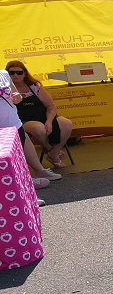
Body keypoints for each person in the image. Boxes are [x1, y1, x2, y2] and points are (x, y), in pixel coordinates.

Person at [0, 68, 61, 204]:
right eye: (14, 72)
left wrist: (17, 97)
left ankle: (27, 194)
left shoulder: (4, 74)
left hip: (14, 125)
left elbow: (17, 95)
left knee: (18, 160)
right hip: (2, 130)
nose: (16, 74)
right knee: (7, 165)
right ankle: (18, 196)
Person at [5, 60, 73, 169]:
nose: (15, 75)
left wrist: (49, 121)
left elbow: (51, 107)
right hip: (23, 120)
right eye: (11, 73)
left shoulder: (34, 86)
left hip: (42, 116)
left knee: (67, 124)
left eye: (19, 72)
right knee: (38, 128)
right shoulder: (5, 90)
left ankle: (53, 153)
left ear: (25, 73)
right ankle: (50, 150)